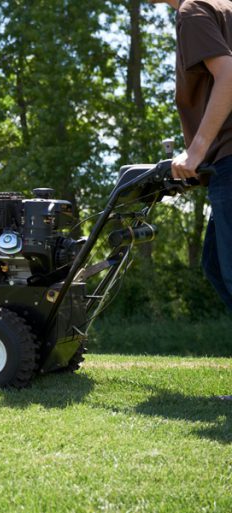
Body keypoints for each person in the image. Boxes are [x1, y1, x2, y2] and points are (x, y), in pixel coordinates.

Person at [150, 0, 232, 311]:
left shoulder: (193, 11)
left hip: (230, 156)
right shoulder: (222, 7)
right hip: (223, 160)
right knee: (214, 263)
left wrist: (195, 152)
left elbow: (228, 76)